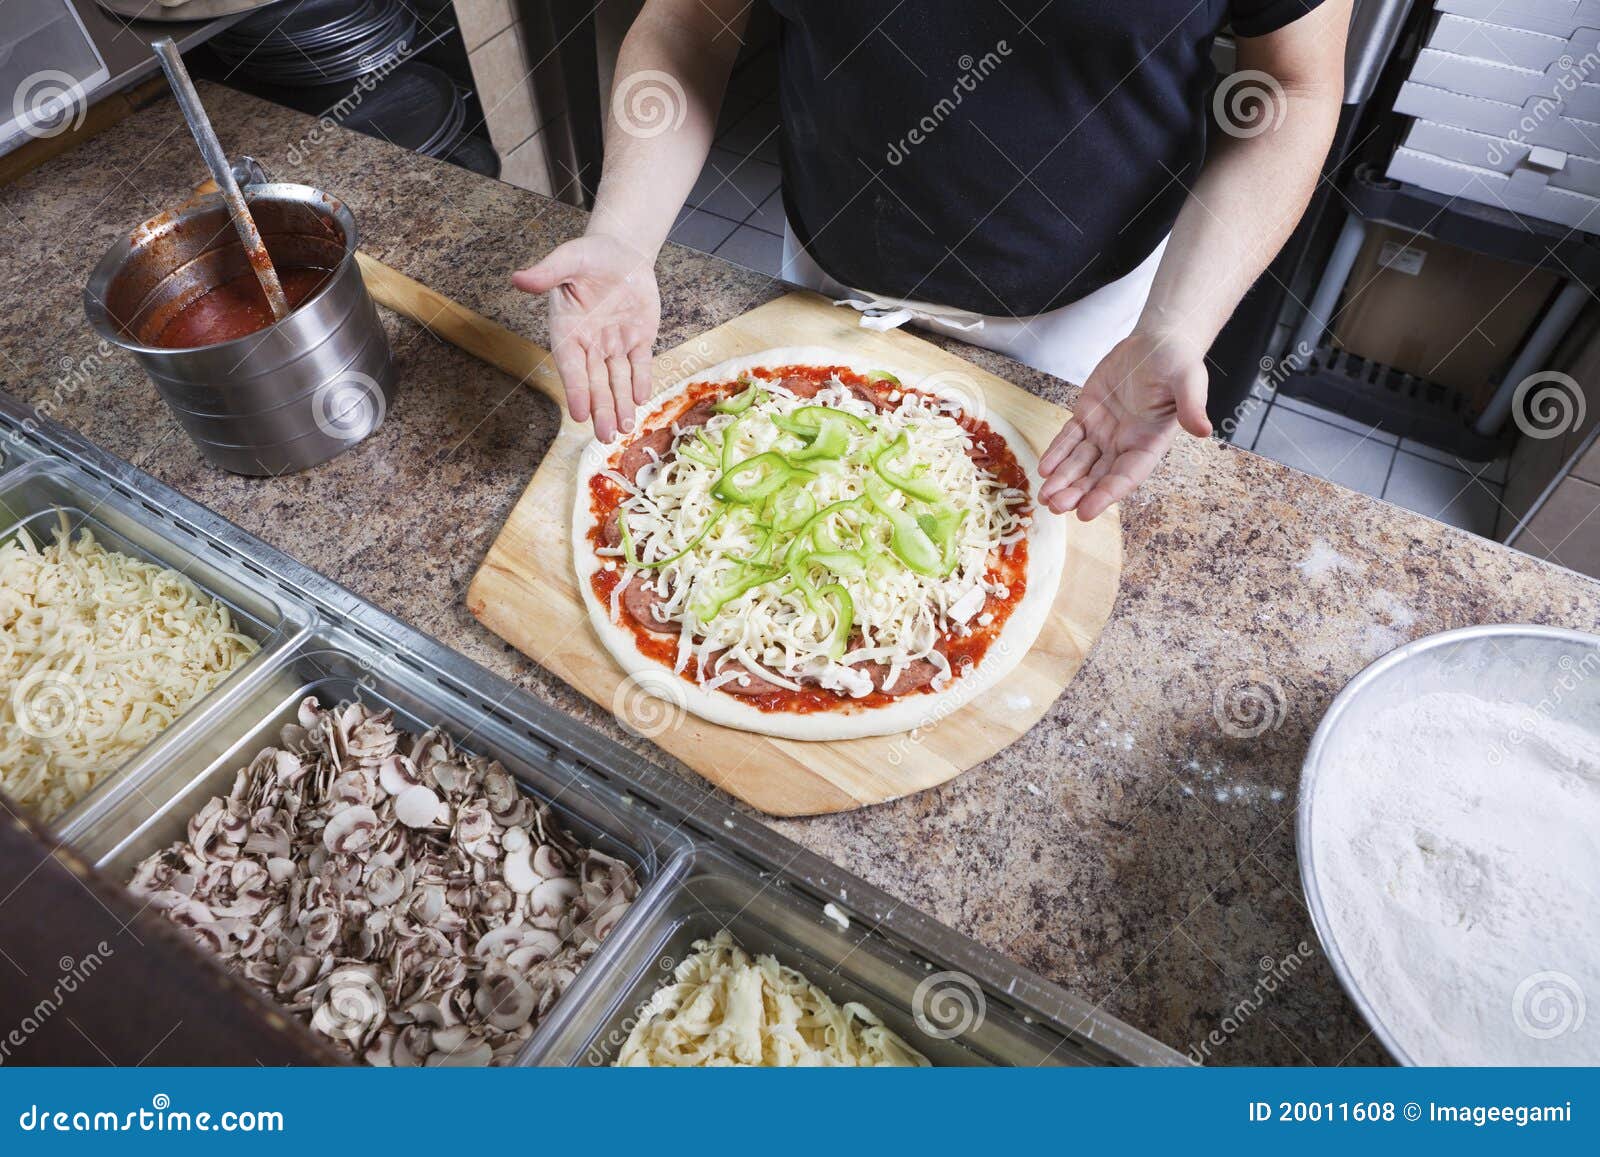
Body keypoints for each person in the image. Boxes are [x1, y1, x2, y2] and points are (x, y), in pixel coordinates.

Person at [512, 1, 1350, 521]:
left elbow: (1295, 90)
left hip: (1097, 334)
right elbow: (691, 20)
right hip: (826, 276)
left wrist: (1179, 323)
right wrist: (623, 234)